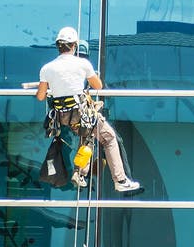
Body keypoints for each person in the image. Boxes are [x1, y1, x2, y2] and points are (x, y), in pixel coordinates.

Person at [37, 26, 142, 193]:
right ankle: (120, 179)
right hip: (81, 114)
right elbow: (98, 86)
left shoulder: (47, 68)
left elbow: (41, 96)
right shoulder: (82, 64)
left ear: (58, 46)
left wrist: (53, 85)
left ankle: (80, 173)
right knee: (108, 137)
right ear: (74, 45)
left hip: (63, 118)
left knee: (89, 137)